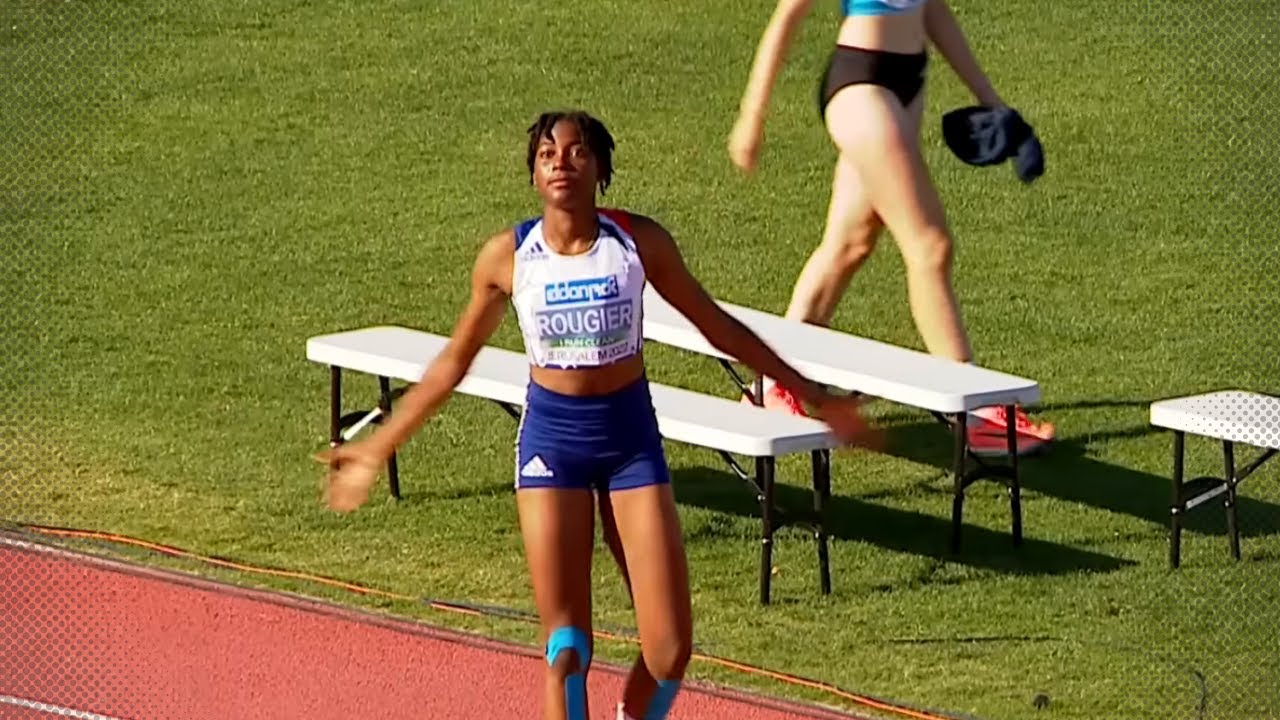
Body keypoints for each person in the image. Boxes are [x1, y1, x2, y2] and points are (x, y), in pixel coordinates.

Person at [316, 110, 879, 720]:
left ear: (601, 169)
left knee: (669, 652)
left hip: (630, 443)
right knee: (566, 649)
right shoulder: (508, 258)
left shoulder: (638, 243)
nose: (561, 162)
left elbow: (717, 326)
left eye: (577, 152)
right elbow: (453, 363)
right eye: (547, 154)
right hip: (552, 447)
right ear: (533, 174)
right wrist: (378, 446)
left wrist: (813, 395)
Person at [726, 0, 1053, 456]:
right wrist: (751, 118)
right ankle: (977, 414)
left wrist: (991, 100)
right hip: (861, 84)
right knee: (930, 247)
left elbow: (931, 8)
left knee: (849, 244)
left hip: (907, 84)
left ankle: (772, 386)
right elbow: (788, 16)